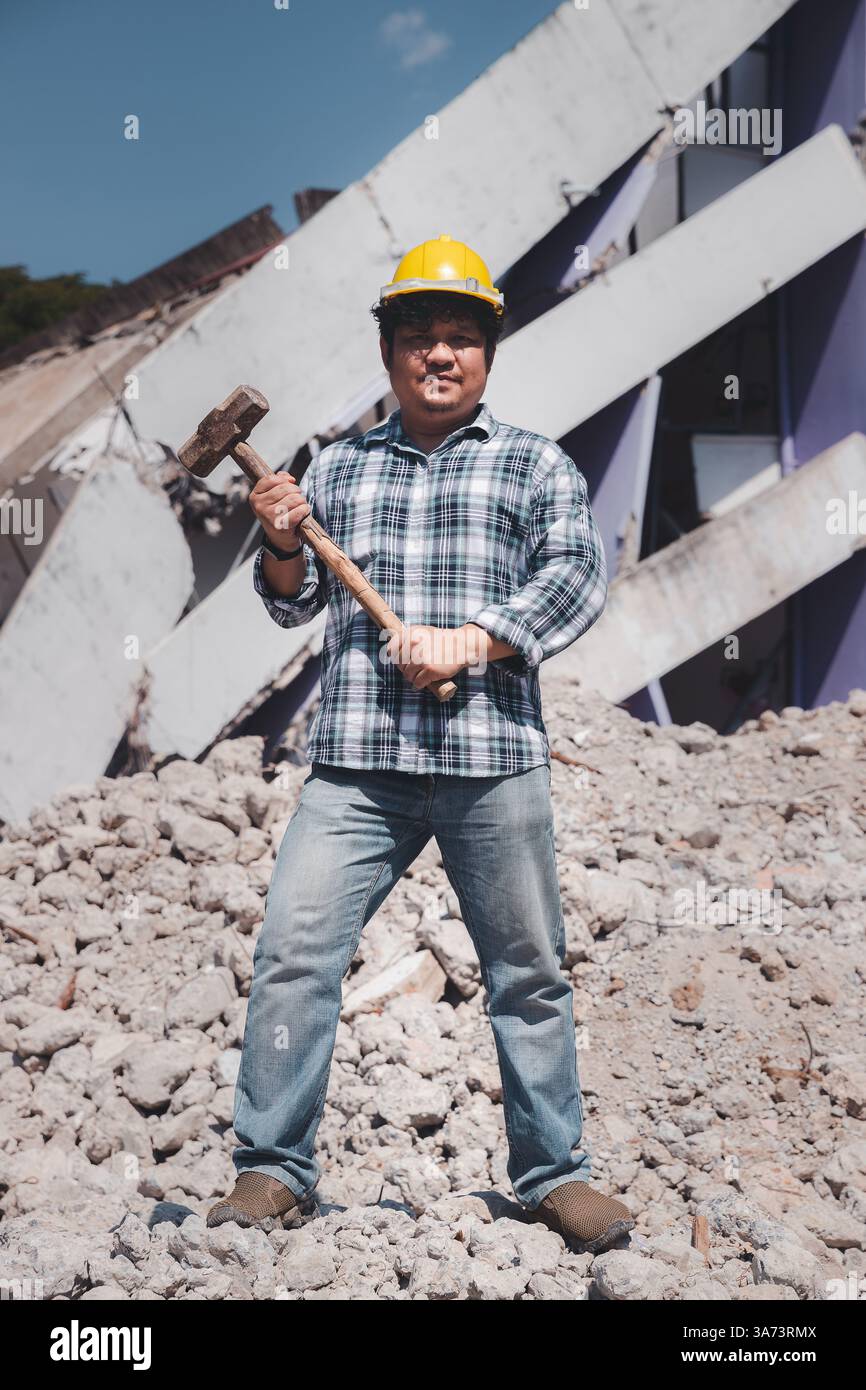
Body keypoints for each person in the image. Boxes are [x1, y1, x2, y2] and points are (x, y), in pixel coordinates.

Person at [207, 235, 633, 1255]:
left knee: (526, 971)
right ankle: (271, 1171)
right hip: (357, 764)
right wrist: (275, 538)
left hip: (492, 761)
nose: (435, 355)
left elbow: (577, 575)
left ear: (485, 350)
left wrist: (475, 639)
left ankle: (553, 1174)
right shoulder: (334, 469)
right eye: (415, 338)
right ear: (389, 351)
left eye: (456, 337)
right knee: (295, 957)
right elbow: (290, 603)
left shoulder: (533, 462)